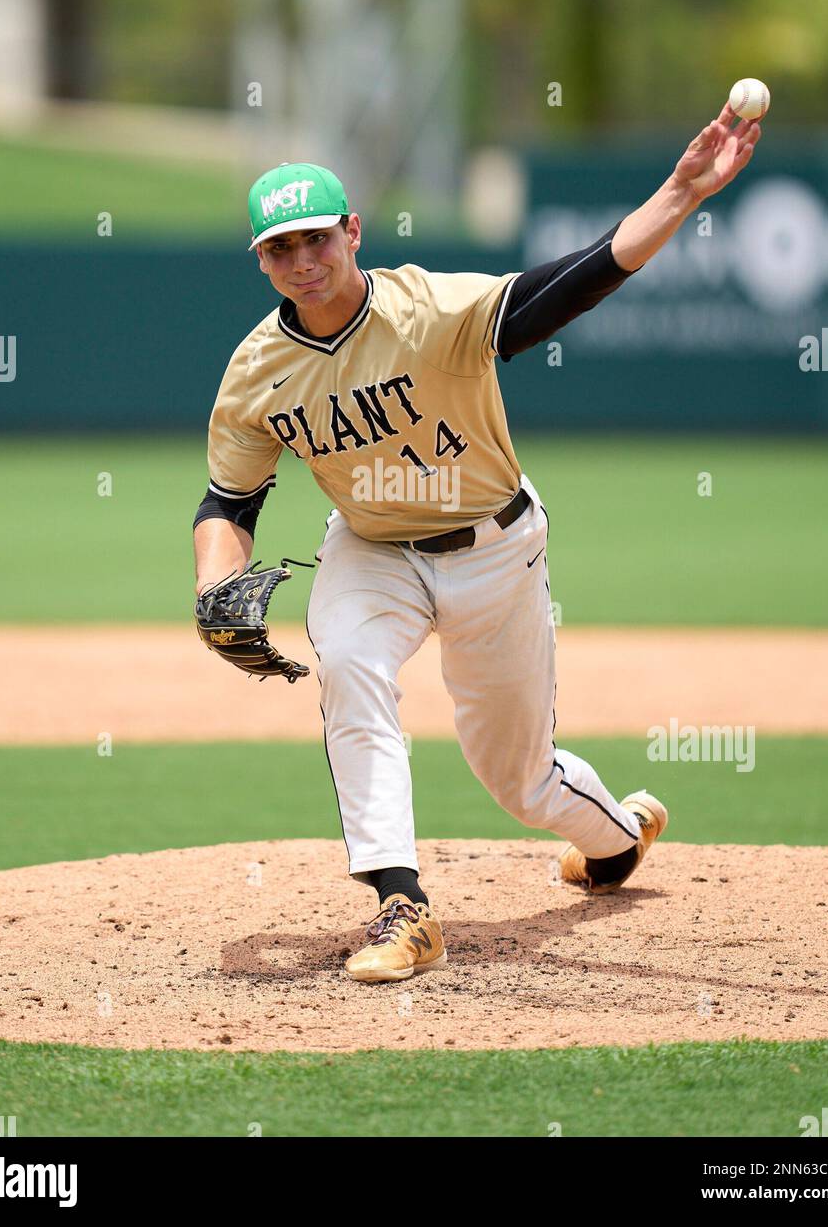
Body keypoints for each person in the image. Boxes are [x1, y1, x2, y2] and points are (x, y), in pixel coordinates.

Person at [193, 102, 762, 982]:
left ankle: (616, 839)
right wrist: (213, 587)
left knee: (522, 781)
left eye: (316, 239)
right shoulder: (256, 371)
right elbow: (228, 501)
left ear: (352, 232)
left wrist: (680, 194)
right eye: (279, 248)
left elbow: (578, 278)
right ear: (260, 260)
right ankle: (401, 905)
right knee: (348, 663)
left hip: (494, 548)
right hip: (373, 547)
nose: (302, 262)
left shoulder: (432, 310)